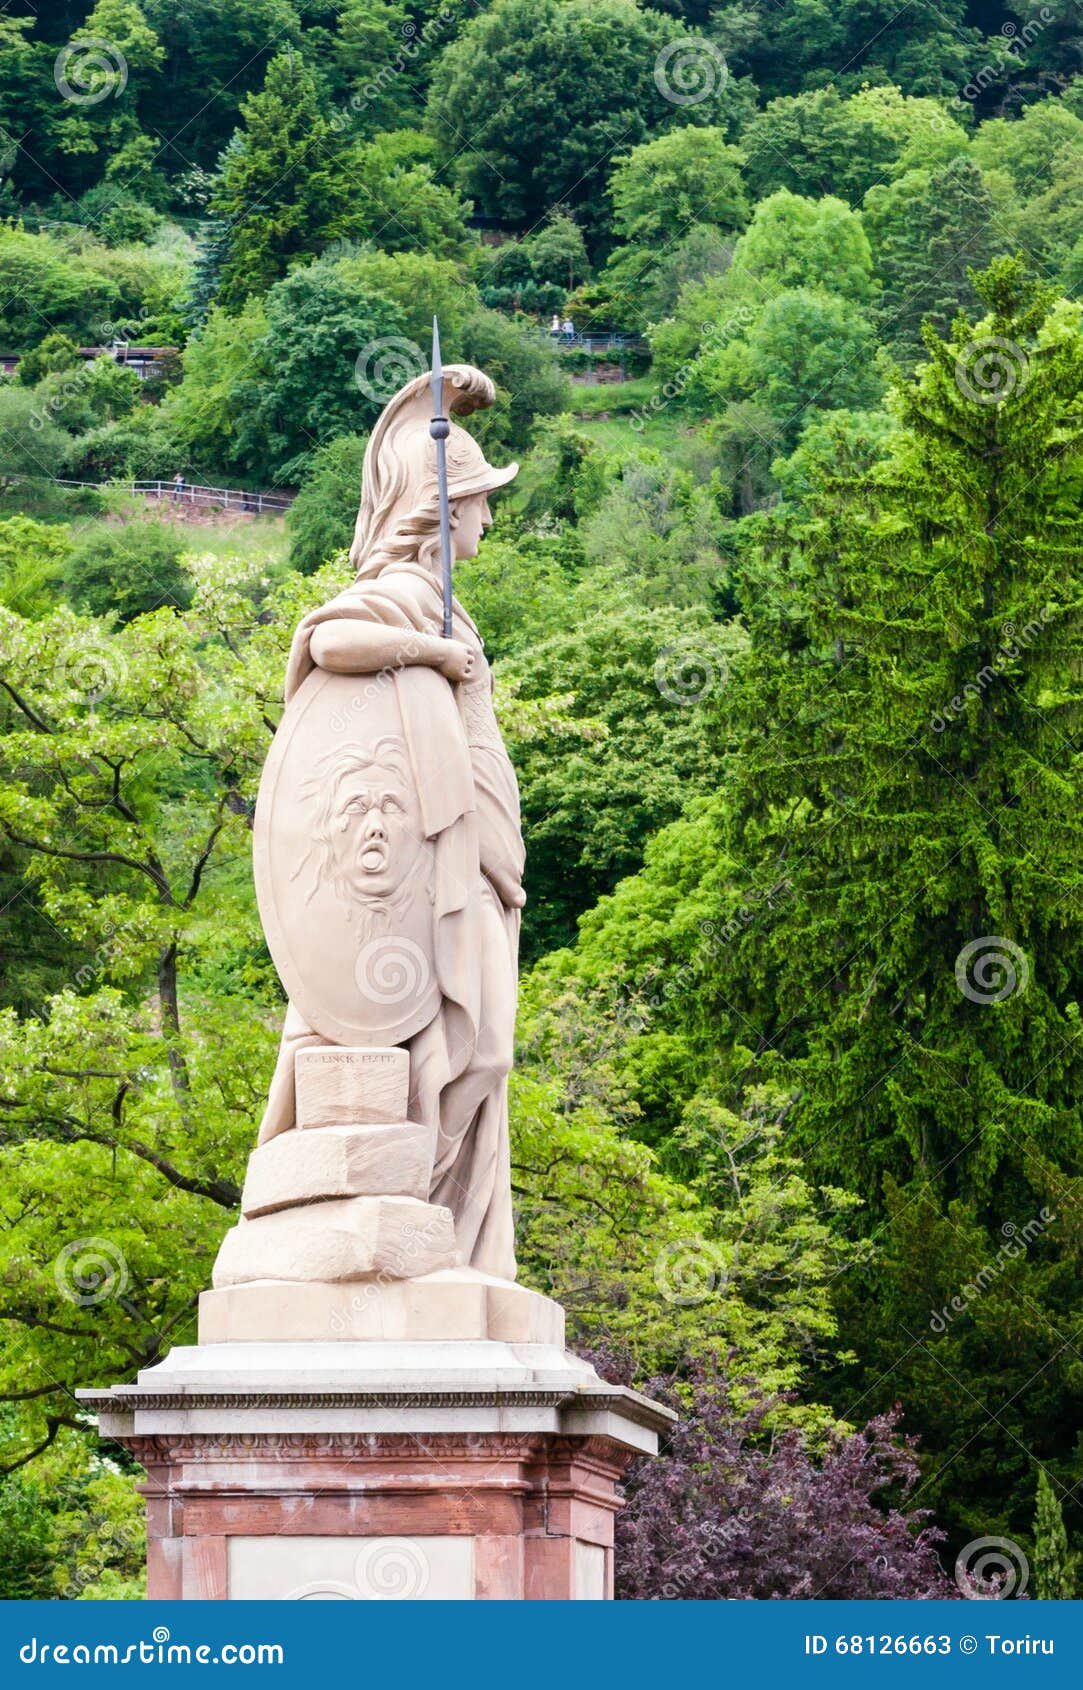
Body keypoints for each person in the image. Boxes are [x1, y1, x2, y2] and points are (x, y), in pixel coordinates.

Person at [256, 364, 524, 1280]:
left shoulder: (450, 604)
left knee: (484, 1046)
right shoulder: (413, 600)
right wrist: (431, 653)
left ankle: (433, 1217)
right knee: (478, 1045)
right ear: (441, 512)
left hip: (479, 858)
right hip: (434, 873)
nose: (487, 519)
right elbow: (329, 640)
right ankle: (411, 1207)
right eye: (479, 502)